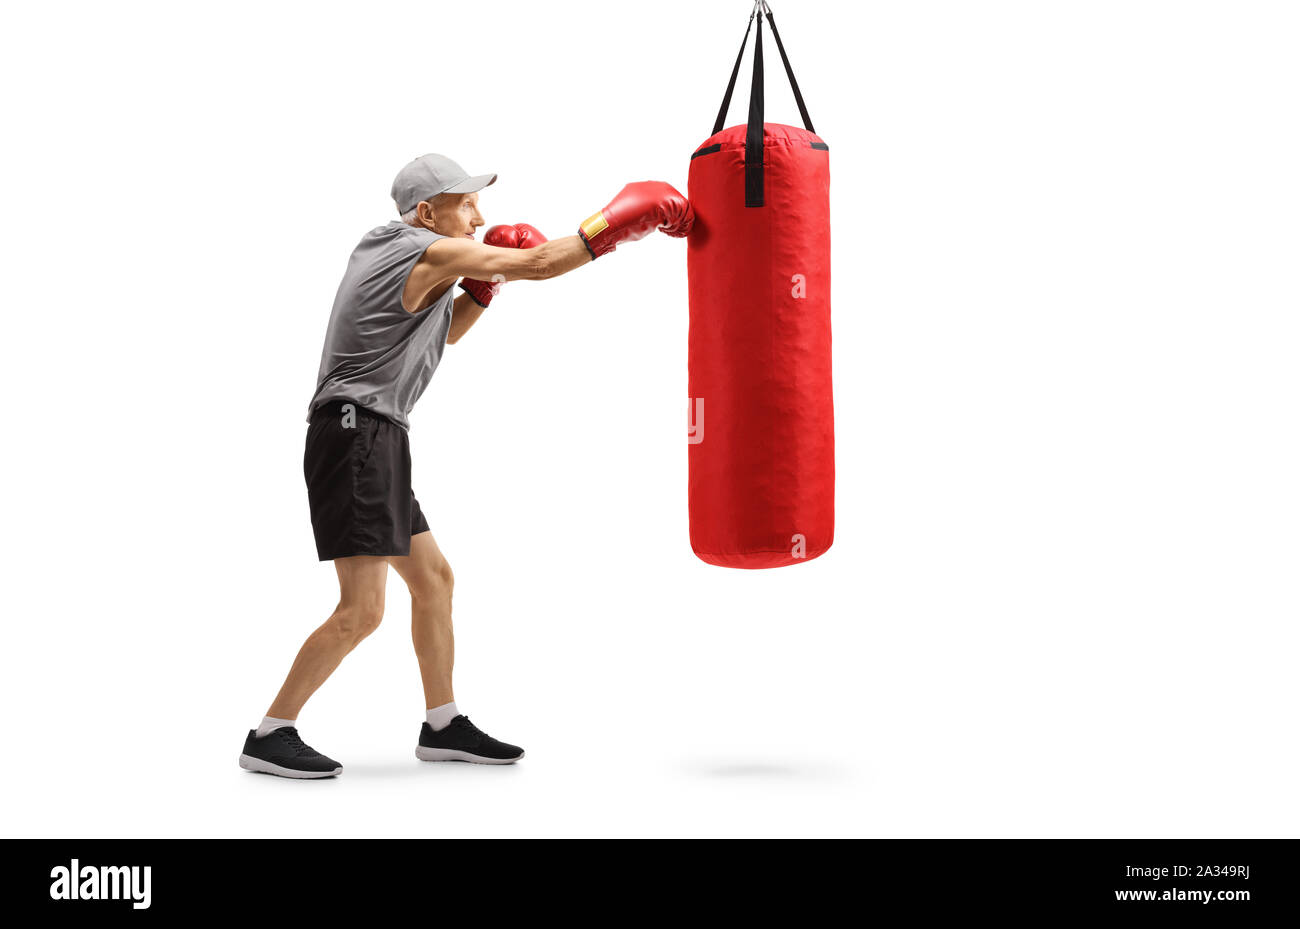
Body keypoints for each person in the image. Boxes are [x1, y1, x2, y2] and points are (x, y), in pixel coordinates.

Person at [238, 153, 694, 778]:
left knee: (434, 582)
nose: (480, 216)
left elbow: (445, 331)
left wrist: (482, 291)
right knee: (363, 610)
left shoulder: (409, 256)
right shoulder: (425, 248)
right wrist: (611, 224)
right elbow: (540, 263)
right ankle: (270, 732)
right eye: (466, 202)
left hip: (375, 434)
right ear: (427, 212)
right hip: (355, 433)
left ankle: (443, 723)